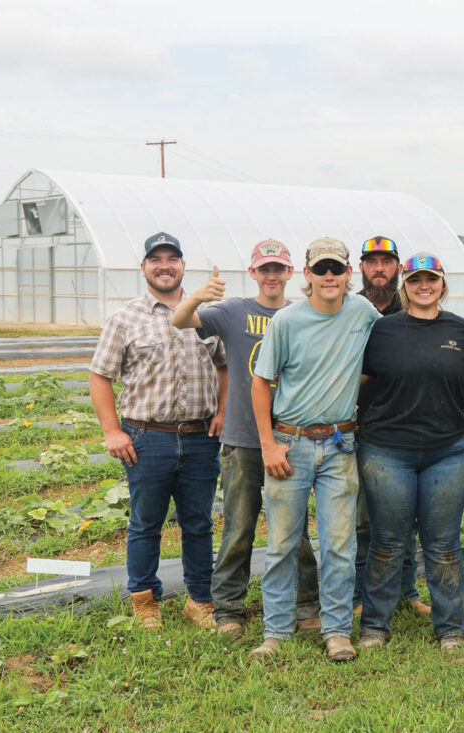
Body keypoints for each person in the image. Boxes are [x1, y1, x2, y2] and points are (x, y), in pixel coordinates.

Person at [170, 239, 322, 639]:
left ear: (291, 273)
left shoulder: (304, 314)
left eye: (279, 269)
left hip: (291, 437)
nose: (272, 276)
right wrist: (199, 296)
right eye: (264, 269)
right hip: (242, 439)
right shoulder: (234, 311)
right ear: (253, 273)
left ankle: (307, 605)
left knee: (296, 530)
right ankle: (229, 610)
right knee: (239, 527)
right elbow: (180, 321)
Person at [249, 237, 381, 661]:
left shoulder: (363, 313)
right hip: (291, 443)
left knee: (339, 543)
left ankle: (337, 630)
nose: (329, 277)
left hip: (341, 445)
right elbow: (260, 382)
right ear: (306, 274)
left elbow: (391, 347)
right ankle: (276, 632)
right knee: (283, 543)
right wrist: (268, 444)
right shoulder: (287, 321)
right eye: (321, 269)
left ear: (348, 275)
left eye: (336, 270)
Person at [89, 232, 227, 631]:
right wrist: (112, 431)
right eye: (156, 259)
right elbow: (100, 376)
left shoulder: (207, 315)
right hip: (148, 437)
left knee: (198, 522)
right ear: (144, 267)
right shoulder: (125, 318)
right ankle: (145, 600)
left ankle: (200, 600)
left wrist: (222, 411)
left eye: (172, 258)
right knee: (146, 522)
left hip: (201, 437)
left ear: (183, 265)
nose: (164, 265)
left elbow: (225, 365)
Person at [357, 253, 464, 653]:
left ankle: (451, 629)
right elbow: (356, 381)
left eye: (431, 279)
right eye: (415, 280)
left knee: (443, 542)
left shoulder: (462, 331)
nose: (423, 286)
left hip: (447, 451)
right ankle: (376, 624)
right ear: (404, 286)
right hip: (386, 450)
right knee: (388, 540)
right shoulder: (381, 331)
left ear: (442, 284)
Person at [353, 235, 430, 618]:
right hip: (357, 424)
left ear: (398, 267)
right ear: (361, 268)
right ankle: (359, 595)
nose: (379, 268)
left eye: (386, 261)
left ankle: (407, 591)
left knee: (407, 517)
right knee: (364, 518)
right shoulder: (348, 309)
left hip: (405, 426)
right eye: (372, 261)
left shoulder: (413, 306)